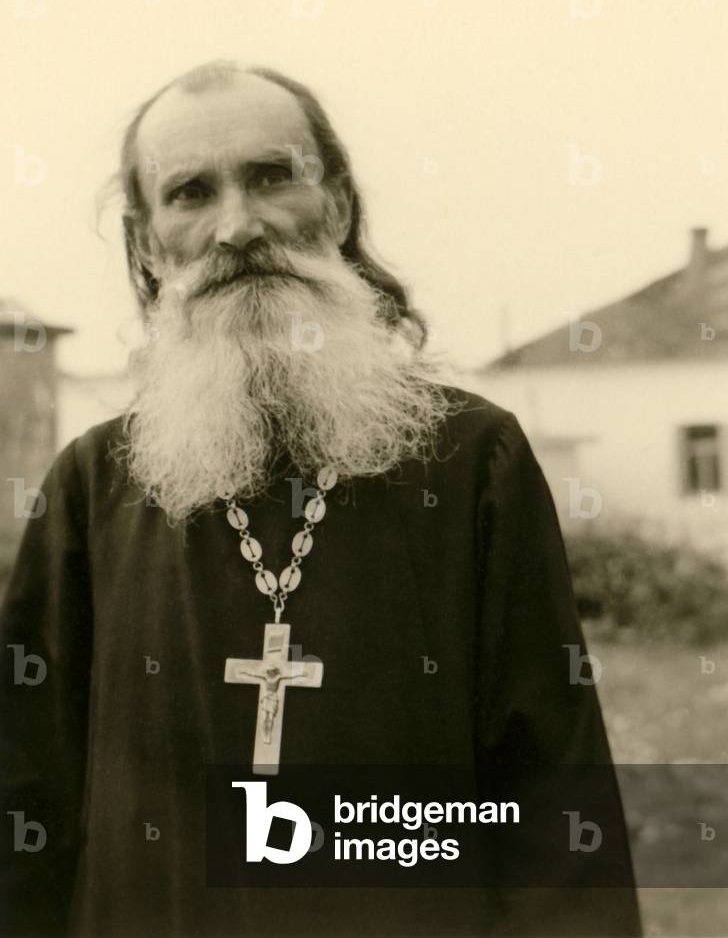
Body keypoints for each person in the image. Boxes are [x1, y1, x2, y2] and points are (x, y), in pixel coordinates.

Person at [1, 61, 641, 937]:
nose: (238, 226)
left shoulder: (472, 458)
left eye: (271, 177)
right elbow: (23, 810)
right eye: (191, 192)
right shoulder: (89, 486)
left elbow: (554, 802)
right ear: (149, 244)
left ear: (336, 205)